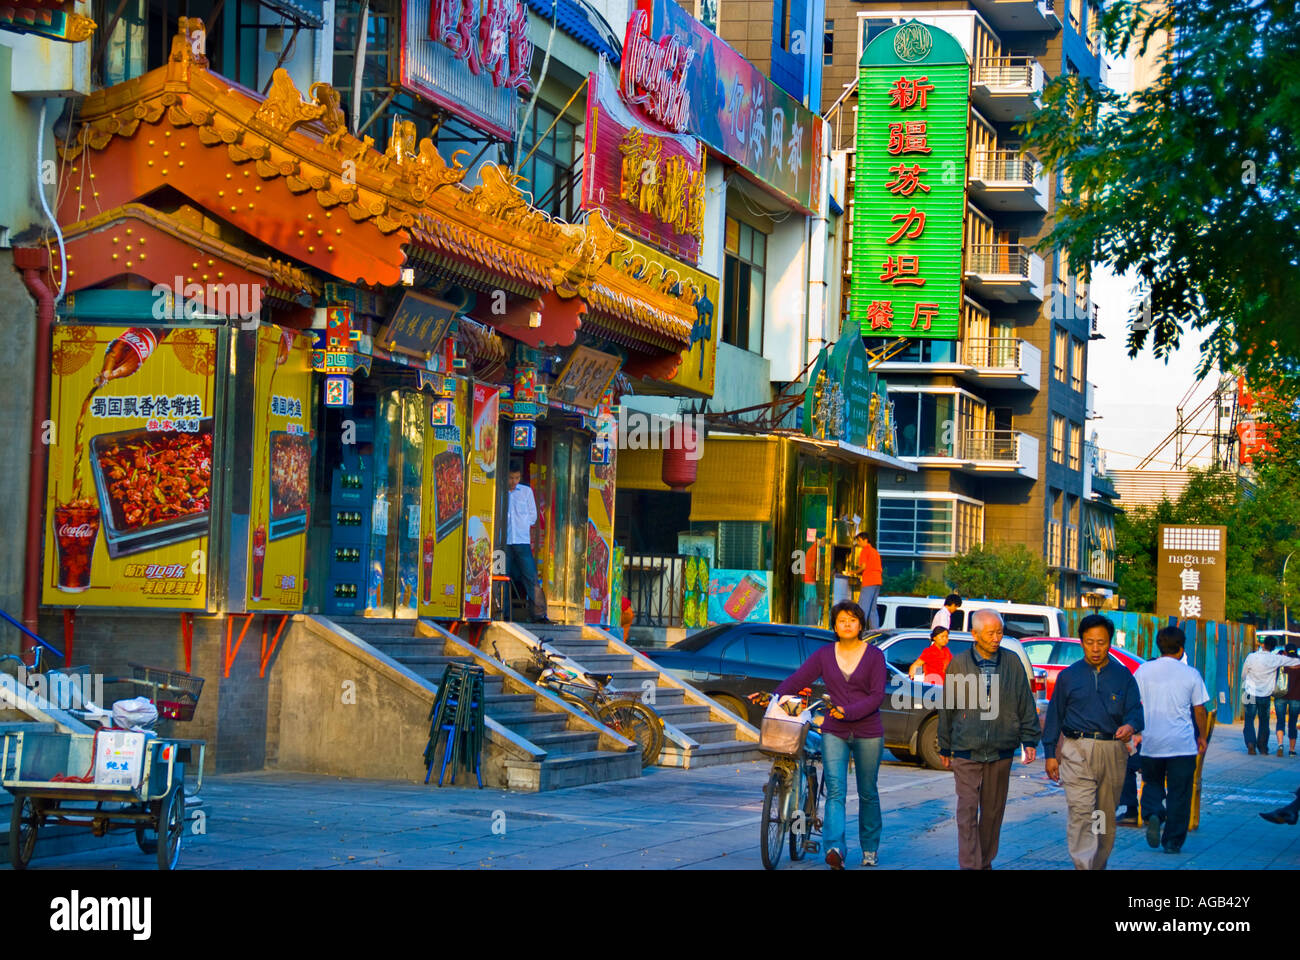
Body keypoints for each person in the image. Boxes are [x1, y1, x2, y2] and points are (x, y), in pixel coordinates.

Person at [773, 600, 887, 869]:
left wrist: (846, 711)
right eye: (841, 620)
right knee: (835, 791)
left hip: (868, 732)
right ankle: (835, 847)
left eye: (852, 619)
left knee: (867, 791)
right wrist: (774, 697)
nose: (847, 624)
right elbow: (798, 679)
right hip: (834, 732)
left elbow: (876, 697)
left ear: (861, 624)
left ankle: (869, 848)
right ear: (834, 626)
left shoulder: (874, 656)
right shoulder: (825, 654)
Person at [937, 609, 1041, 870]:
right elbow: (947, 705)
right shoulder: (959, 663)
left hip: (1000, 749)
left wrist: (1029, 739)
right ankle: (971, 865)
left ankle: (984, 862)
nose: (996, 638)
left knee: (992, 814)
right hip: (966, 748)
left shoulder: (1012, 662)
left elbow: (1025, 702)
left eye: (1000, 632)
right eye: (990, 633)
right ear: (974, 634)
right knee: (967, 811)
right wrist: (945, 744)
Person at [1043, 613, 1144, 871]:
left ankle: (1097, 864)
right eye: (1089, 642)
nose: (1095, 648)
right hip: (1077, 751)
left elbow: (1136, 711)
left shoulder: (1123, 676)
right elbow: (1054, 715)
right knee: (1081, 812)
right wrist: (1050, 754)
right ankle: (1084, 865)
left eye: (1101, 642)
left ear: (1109, 642)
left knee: (1102, 816)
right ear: (1081, 642)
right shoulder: (1069, 676)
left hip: (1112, 751)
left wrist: (1130, 725)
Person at [1133, 626, 1210, 854]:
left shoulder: (1143, 670)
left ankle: (1154, 812)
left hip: (1151, 742)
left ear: (1159, 645)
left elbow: (1133, 703)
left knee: (1152, 783)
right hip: (1182, 745)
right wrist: (1202, 736)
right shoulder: (1191, 674)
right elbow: (1199, 710)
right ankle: (1172, 842)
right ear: (1181, 649)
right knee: (1180, 793)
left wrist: (1135, 732)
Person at [505, 461, 548, 623]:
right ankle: (502, 613)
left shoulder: (526, 491)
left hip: (522, 541)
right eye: (511, 478)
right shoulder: (499, 490)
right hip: (503, 542)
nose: (514, 481)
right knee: (502, 577)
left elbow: (533, 516)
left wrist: (521, 524)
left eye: (517, 478)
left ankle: (539, 614)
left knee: (531, 576)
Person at [1241, 636, 1292, 755]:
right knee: (1264, 721)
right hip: (1265, 694)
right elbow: (1292, 661)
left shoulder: (1251, 656)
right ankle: (1263, 746)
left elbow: (1244, 674)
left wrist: (1247, 682)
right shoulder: (1275, 659)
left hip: (1250, 692)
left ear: (1263, 645)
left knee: (1249, 719)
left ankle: (1250, 744)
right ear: (1274, 647)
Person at [851, 532, 883, 629]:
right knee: (873, 609)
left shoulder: (865, 550)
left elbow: (863, 567)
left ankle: (860, 631)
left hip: (869, 581)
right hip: (877, 581)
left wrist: (854, 572)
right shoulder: (875, 551)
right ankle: (875, 632)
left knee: (862, 608)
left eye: (860, 541)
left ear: (865, 540)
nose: (859, 543)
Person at [1274, 646, 1300, 757]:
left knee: (1280, 720)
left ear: (1285, 651)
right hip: (1296, 697)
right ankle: (1292, 750)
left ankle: (1280, 745)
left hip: (1281, 695)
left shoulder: (1281, 662)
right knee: (1293, 723)